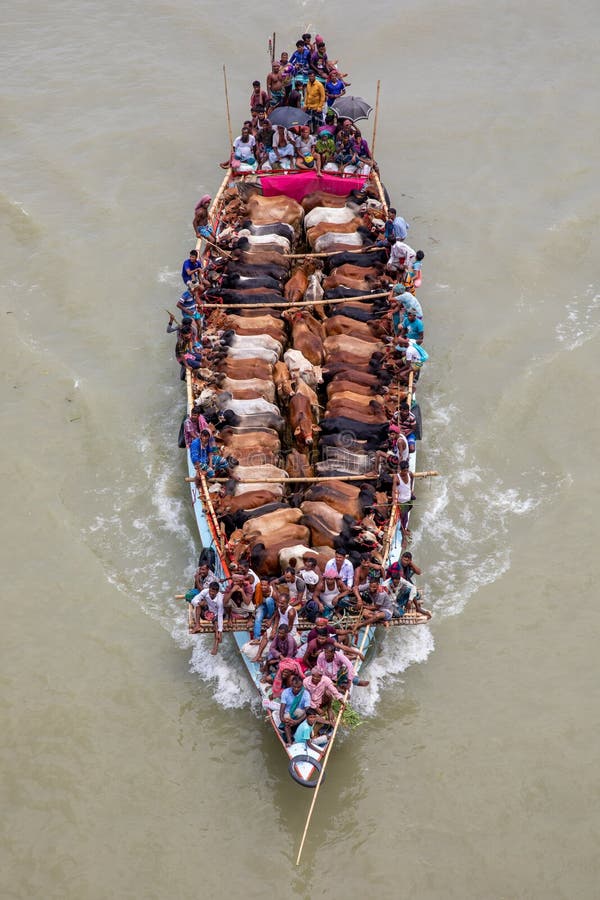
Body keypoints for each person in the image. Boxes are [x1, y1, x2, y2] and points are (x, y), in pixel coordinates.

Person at [190, 580, 231, 654]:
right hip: (208, 611)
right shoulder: (205, 592)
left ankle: (215, 646)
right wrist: (199, 602)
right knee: (198, 606)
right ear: (209, 589)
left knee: (216, 625)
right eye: (210, 591)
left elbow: (220, 615)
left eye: (213, 592)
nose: (211, 593)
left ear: (217, 592)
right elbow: (193, 600)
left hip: (217, 613)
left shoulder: (219, 600)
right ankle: (197, 625)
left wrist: (220, 631)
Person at [280, 674, 311, 745]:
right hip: (288, 714)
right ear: (291, 685)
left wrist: (297, 721)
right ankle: (290, 741)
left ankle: (300, 732)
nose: (296, 689)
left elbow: (308, 711)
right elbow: (282, 710)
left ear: (302, 686)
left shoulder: (306, 694)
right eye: (294, 687)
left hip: (299, 715)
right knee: (287, 720)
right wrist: (283, 719)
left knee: (301, 712)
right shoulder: (285, 692)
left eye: (299, 687)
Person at [394, 461, 414, 540]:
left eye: (407, 470)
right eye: (404, 471)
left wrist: (411, 489)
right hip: (402, 501)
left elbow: (412, 479)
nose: (406, 472)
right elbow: (393, 490)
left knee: (409, 509)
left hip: (409, 498)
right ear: (400, 470)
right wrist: (394, 500)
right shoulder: (397, 478)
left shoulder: (410, 474)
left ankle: (403, 524)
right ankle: (403, 531)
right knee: (404, 517)